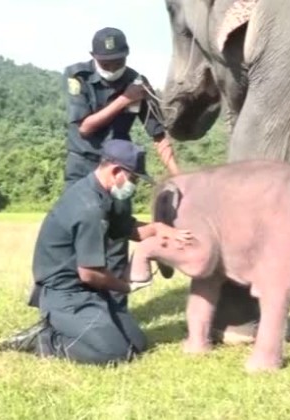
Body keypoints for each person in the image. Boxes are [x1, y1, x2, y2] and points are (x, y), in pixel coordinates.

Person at [25, 26, 181, 310]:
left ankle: (116, 307)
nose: (111, 67)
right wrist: (125, 99)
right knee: (78, 234)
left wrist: (178, 176)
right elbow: (85, 127)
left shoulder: (138, 83)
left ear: (127, 56)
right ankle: (67, 301)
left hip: (120, 170)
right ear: (93, 57)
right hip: (84, 166)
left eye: (117, 62)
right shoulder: (77, 76)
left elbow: (158, 134)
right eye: (105, 62)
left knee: (119, 234)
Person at [0, 140, 192, 365]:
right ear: (117, 171)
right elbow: (89, 273)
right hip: (66, 293)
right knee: (113, 354)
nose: (134, 185)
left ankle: (80, 327)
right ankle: (44, 340)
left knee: (137, 343)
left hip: (88, 291)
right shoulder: (89, 207)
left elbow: (129, 230)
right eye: (134, 178)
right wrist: (126, 286)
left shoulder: (103, 194)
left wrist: (160, 229)